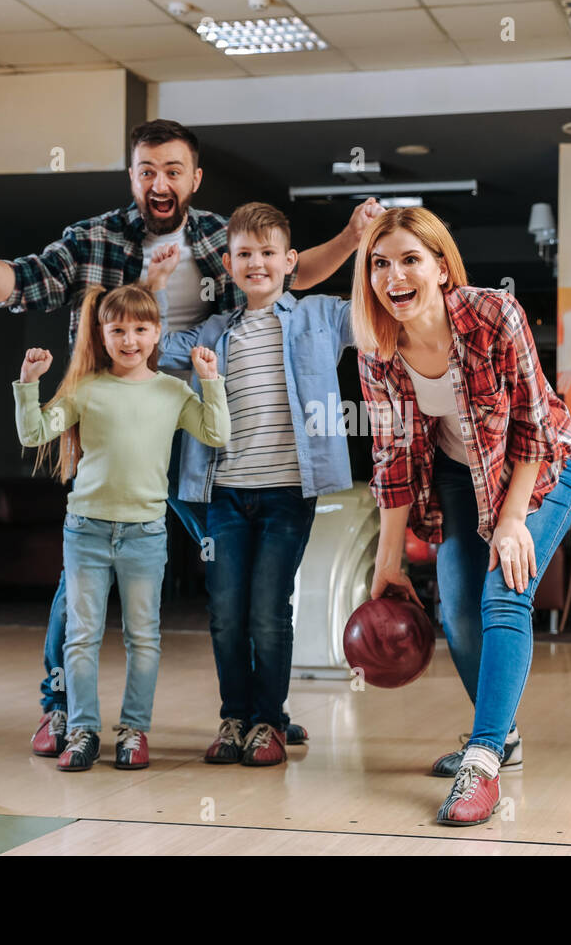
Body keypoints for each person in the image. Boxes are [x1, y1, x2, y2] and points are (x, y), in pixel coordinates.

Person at [0, 119, 382, 756]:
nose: (159, 182)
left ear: (194, 178)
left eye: (173, 170)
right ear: (132, 175)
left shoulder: (219, 237)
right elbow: (22, 287)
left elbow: (296, 273)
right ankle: (61, 707)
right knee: (86, 578)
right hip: (120, 423)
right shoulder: (92, 238)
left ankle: (264, 711)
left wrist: (352, 234)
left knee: (246, 577)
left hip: (202, 425)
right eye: (147, 170)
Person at [352, 207, 571, 827]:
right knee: (455, 608)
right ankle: (502, 736)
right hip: (458, 476)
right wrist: (388, 562)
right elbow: (393, 457)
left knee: (505, 592)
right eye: (380, 263)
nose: (394, 275)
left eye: (409, 260)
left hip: (541, 468)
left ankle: (482, 764)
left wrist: (511, 522)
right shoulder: (378, 349)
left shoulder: (493, 316)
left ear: (441, 266)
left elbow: (534, 427)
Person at [153, 203, 355, 766]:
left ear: (291, 262)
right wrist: (154, 283)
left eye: (269, 253)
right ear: (229, 262)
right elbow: (145, 347)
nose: (257, 263)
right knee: (225, 611)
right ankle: (234, 718)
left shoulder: (320, 316)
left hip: (288, 495)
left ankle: (268, 720)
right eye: (245, 254)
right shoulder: (212, 333)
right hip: (224, 495)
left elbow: (379, 313)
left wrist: (364, 239)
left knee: (268, 609)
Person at [13, 282, 229, 771]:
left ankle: (134, 731)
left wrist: (209, 380)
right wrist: (28, 383)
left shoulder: (173, 391)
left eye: (140, 329)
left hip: (145, 535)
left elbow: (217, 433)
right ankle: (83, 730)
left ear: (157, 334)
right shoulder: (85, 389)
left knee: (143, 637)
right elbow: (33, 433)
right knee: (82, 635)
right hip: (86, 531)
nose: (129, 339)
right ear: (102, 335)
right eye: (118, 330)